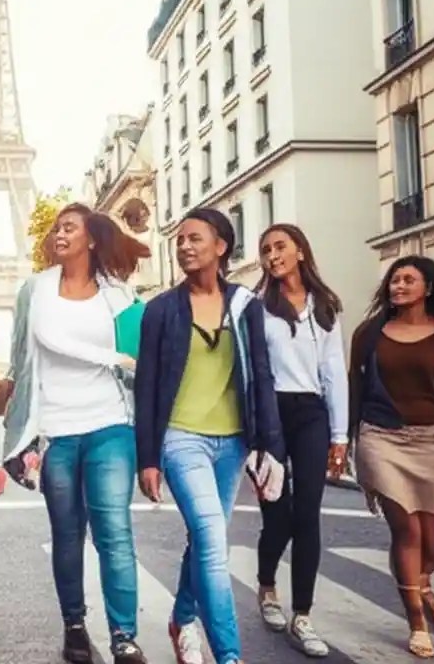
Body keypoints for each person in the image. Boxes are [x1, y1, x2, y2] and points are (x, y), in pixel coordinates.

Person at [0, 203, 150, 664]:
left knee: (115, 533)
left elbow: (139, 356)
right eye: (56, 228)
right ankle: (75, 625)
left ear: (92, 239)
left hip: (109, 424)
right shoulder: (36, 290)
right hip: (57, 429)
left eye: (70, 227)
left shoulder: (119, 297)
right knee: (67, 533)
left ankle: (124, 634)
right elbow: (36, 341)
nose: (59, 234)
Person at [134, 207, 284, 664]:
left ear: (221, 246)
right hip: (181, 439)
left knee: (205, 539)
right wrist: (148, 458)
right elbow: (147, 386)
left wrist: (270, 447)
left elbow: (261, 375)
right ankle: (230, 655)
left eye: (194, 238)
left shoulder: (245, 306)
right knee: (213, 544)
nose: (184, 246)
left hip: (232, 443)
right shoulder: (160, 309)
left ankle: (183, 617)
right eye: (179, 240)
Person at [348, 255, 434, 659]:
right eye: (394, 279)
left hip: (429, 441)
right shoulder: (369, 333)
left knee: (430, 541)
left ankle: (424, 585)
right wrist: (342, 443)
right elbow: (355, 389)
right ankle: (416, 621)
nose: (399, 285)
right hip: (380, 437)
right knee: (405, 529)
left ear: (429, 288)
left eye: (408, 279)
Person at [251, 223, 347, 657]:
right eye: (266, 250)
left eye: (280, 247)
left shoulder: (324, 307)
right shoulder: (256, 307)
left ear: (301, 252)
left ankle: (302, 616)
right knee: (278, 515)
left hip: (311, 413)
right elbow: (252, 371)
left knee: (307, 514)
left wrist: (340, 435)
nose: (273, 255)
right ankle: (267, 584)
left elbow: (334, 373)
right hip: (270, 415)